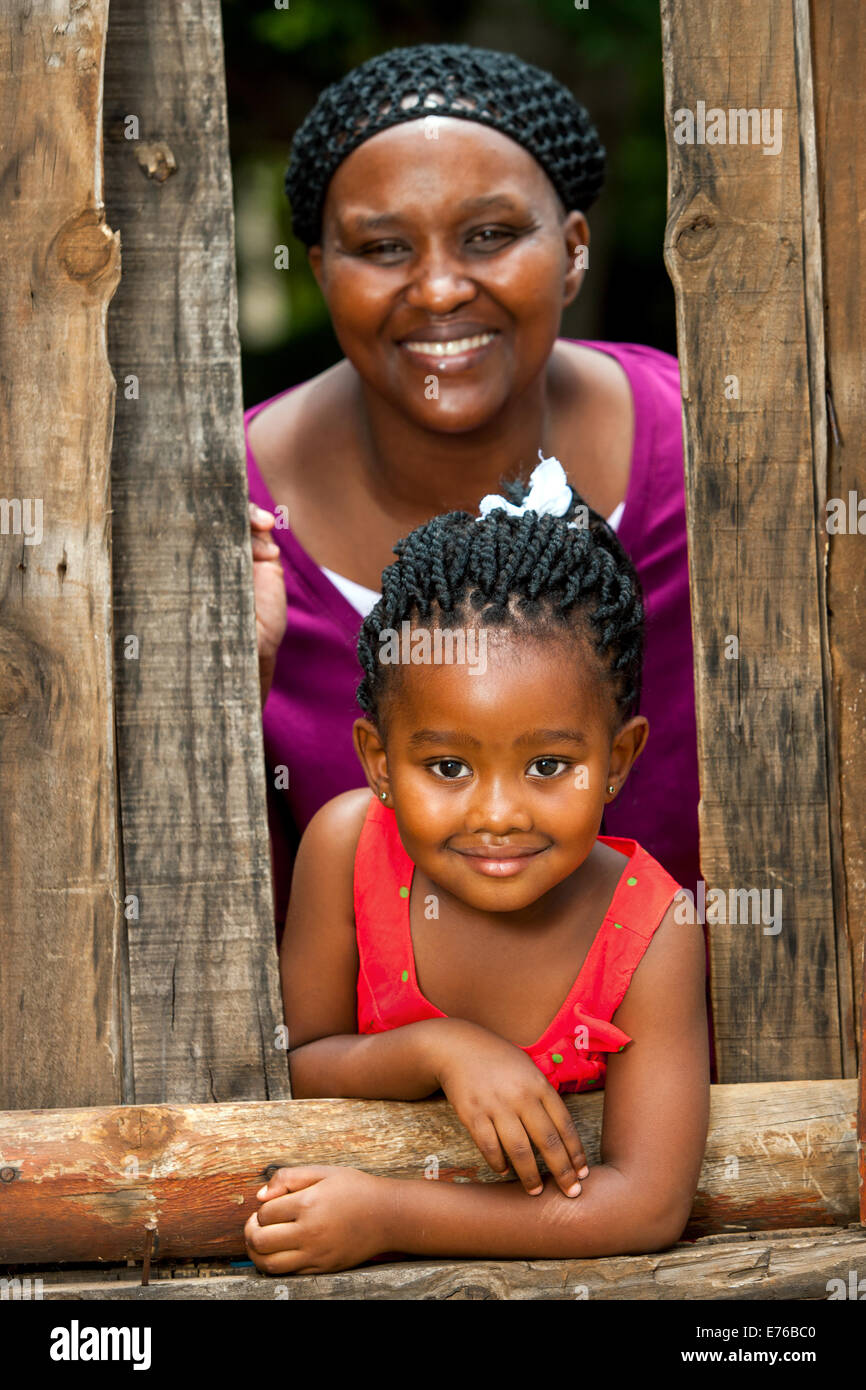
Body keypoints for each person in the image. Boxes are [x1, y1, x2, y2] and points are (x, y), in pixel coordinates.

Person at [245, 43, 702, 956]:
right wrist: (219, 694)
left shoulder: (716, 466)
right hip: (365, 1085)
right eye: (382, 248)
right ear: (322, 268)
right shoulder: (227, 526)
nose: (443, 288)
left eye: (490, 235)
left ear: (574, 251)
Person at [243, 464, 709, 1274]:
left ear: (619, 759)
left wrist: (390, 1215)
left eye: (550, 765)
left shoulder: (651, 933)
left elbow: (647, 1201)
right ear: (378, 761)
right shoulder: (348, 848)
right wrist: (442, 1050)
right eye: (449, 768)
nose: (499, 814)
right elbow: (293, 1060)